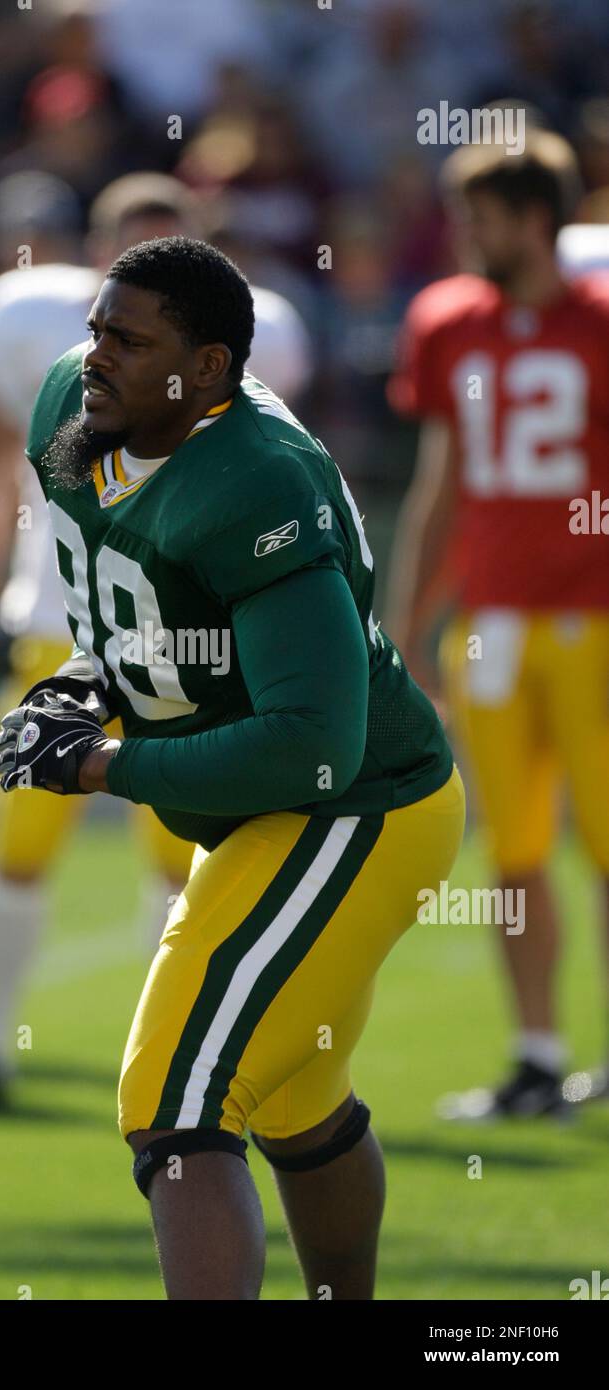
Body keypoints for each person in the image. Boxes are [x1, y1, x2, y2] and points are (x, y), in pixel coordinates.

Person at [0, 236, 464, 1299]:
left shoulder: (257, 483)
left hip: (357, 804)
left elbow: (311, 745)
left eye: (128, 340)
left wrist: (102, 765)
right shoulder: (74, 401)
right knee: (294, 1098)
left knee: (175, 1100)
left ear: (206, 369)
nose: (95, 355)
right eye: (96, 329)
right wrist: (90, 681)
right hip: (277, 806)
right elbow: (128, 589)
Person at [0, 174, 313, 1114]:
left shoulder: (243, 356)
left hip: (181, 657)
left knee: (186, 865)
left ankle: (170, 1060)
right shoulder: (54, 352)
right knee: (18, 844)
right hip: (63, 640)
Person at [387, 131, 609, 1117]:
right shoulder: (446, 321)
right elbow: (440, 483)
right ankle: (536, 1055)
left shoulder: (597, 322)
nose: (464, 235)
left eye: (480, 217)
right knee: (512, 852)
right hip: (490, 627)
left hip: (595, 620)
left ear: (533, 219)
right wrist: (406, 623)